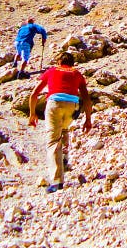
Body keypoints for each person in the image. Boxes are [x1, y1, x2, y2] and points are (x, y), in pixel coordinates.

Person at [28, 51, 92, 193]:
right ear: (72, 63)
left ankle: (57, 181)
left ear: (58, 62)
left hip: (54, 104)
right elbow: (86, 99)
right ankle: (63, 159)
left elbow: (34, 94)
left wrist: (32, 114)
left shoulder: (51, 71)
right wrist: (88, 119)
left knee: (52, 141)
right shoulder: (77, 73)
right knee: (63, 129)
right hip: (72, 107)